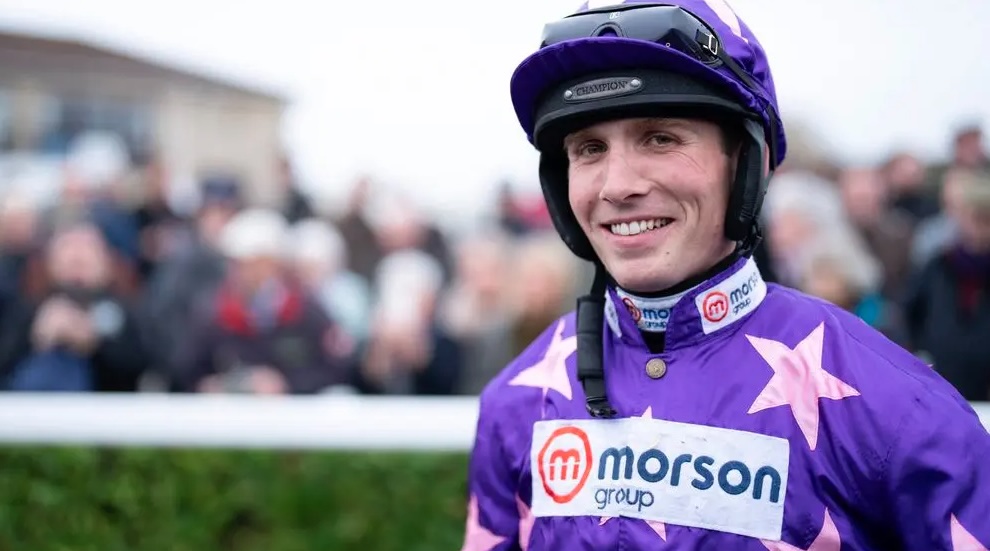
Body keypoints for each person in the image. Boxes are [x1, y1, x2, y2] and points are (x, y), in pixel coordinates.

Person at [460, 1, 990, 549]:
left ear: (748, 165)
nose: (616, 186)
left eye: (659, 138)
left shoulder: (902, 412)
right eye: (589, 149)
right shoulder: (516, 403)